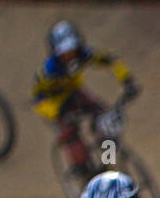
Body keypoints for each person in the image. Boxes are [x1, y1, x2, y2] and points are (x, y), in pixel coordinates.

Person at [33, 19, 136, 182]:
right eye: (64, 53)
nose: (69, 55)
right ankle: (82, 171)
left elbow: (110, 60)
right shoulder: (49, 71)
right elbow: (38, 99)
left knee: (104, 115)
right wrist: (55, 113)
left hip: (75, 93)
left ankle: (107, 158)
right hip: (54, 104)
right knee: (71, 135)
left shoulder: (84, 54)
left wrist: (127, 80)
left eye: (72, 50)